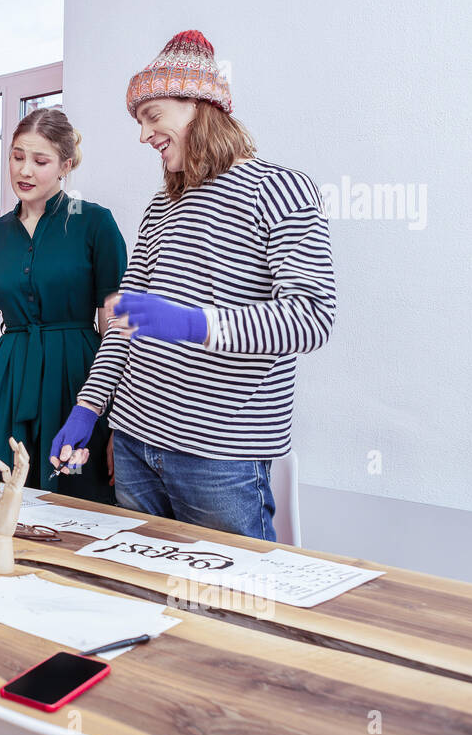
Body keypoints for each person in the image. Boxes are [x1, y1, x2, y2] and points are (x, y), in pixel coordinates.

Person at [49, 30, 337, 542]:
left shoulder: (279, 188)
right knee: (144, 595)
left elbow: (312, 317)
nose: (143, 136)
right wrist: (89, 407)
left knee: (235, 605)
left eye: (153, 116)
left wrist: (195, 323)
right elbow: (123, 322)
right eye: (139, 122)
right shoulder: (162, 206)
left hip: (219, 457)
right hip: (136, 444)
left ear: (200, 107)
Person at [0, 108, 126, 502]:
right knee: (1, 501)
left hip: (79, 385)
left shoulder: (96, 224)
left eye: (40, 160)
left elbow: (116, 330)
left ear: (65, 165)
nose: (24, 170)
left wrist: (118, 424)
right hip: (5, 384)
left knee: (79, 497)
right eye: (17, 157)